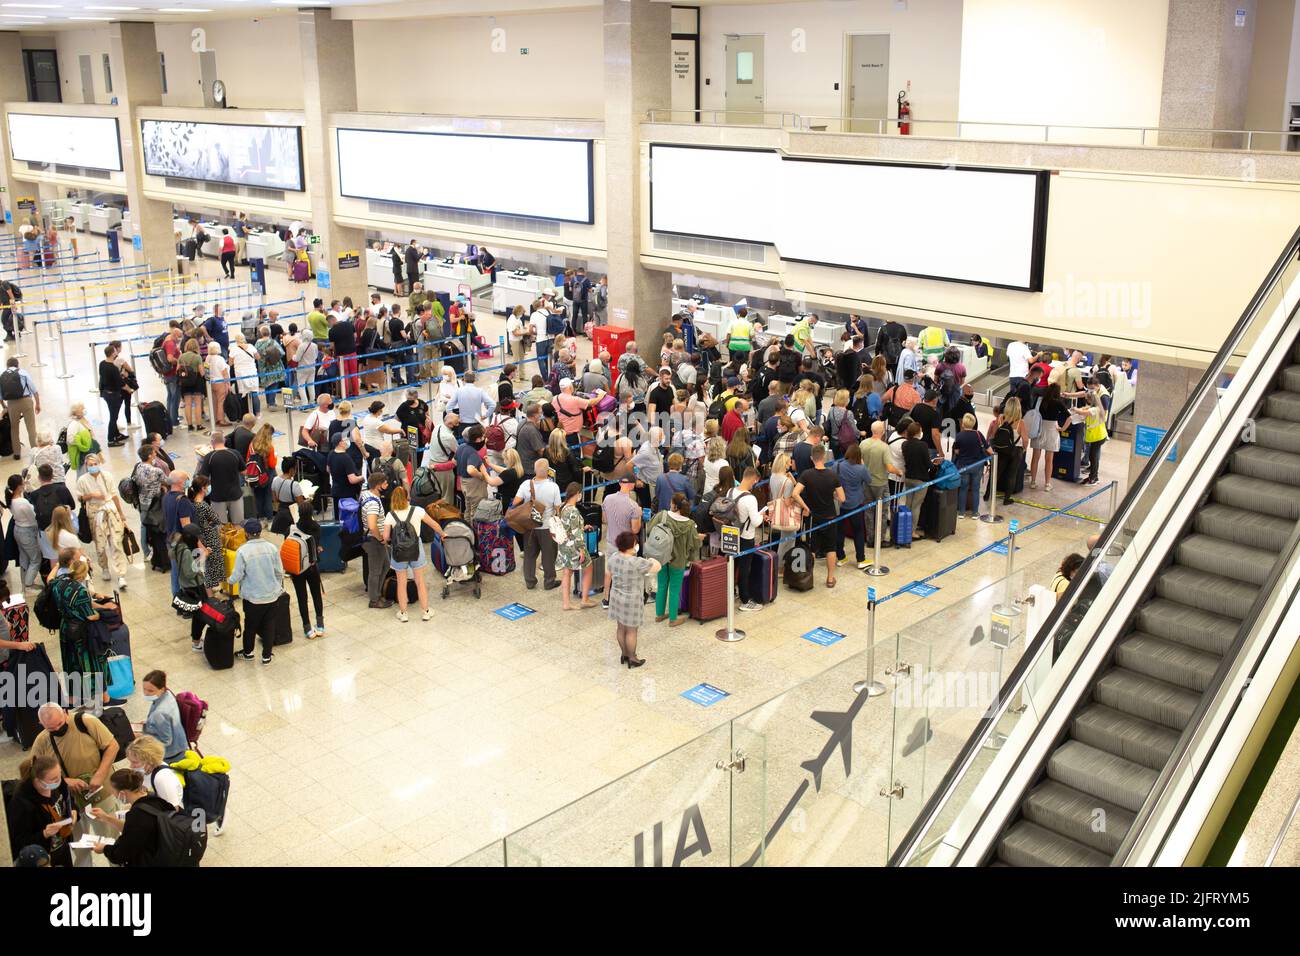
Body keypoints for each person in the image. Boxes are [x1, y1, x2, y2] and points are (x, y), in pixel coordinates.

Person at [31, 703, 120, 859]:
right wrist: (65, 781)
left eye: (60, 723)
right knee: (79, 845)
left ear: (65, 712)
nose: (58, 729)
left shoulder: (86, 722)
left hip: (100, 793)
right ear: (42, 725)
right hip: (69, 803)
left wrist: (100, 774)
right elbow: (33, 772)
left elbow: (112, 746)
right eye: (51, 728)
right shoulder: (41, 741)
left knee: (110, 839)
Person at [88, 769, 182, 867]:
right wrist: (106, 818)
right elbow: (133, 831)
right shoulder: (156, 800)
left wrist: (104, 849)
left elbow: (121, 854)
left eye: (114, 793)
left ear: (122, 794)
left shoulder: (138, 815)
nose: (114, 796)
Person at [382, 485, 443, 623]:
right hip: (417, 549)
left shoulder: (390, 515)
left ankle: (403, 613)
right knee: (420, 582)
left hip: (398, 551)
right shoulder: (418, 511)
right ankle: (426, 611)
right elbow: (434, 524)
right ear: (407, 497)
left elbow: (385, 537)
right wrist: (443, 534)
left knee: (401, 583)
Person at [228, 519, 285, 664]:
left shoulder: (243, 551)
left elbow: (237, 575)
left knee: (251, 626)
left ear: (246, 534)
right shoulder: (272, 548)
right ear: (260, 532)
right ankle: (266, 655)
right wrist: (276, 587)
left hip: (253, 598)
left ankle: (248, 653)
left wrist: (228, 580)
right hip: (272, 596)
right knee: (269, 625)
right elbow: (279, 571)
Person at [7, 754, 76, 867]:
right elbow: (19, 841)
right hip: (43, 858)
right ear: (38, 781)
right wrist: (44, 833)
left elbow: (68, 798)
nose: (59, 780)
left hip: (62, 849)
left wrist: (73, 810)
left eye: (60, 775)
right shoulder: (21, 804)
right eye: (54, 779)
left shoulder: (57, 782)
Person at [792, 444, 845, 588]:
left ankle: (809, 577)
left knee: (813, 549)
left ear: (811, 458)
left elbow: (795, 493)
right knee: (831, 548)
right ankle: (830, 578)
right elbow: (842, 498)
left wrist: (805, 506)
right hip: (830, 518)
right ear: (824, 457)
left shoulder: (806, 475)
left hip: (813, 519)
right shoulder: (832, 475)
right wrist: (831, 494)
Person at [74, 454, 129, 589]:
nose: (93, 467)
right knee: (100, 545)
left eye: (95, 464)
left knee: (116, 542)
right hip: (94, 512)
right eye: (90, 465)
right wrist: (92, 495)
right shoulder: (82, 480)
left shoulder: (107, 476)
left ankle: (121, 574)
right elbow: (80, 498)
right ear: (86, 466)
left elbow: (114, 495)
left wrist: (121, 513)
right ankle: (104, 567)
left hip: (109, 510)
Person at [607, 530, 658, 668]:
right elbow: (656, 567)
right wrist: (652, 560)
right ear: (632, 545)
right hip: (632, 600)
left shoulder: (613, 558)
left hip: (616, 597)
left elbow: (609, 574)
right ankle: (632, 658)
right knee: (631, 631)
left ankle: (624, 654)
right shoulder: (637, 562)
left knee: (620, 628)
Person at [513, 459, 563, 591]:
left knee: (529, 555)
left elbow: (515, 502)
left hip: (529, 526)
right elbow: (557, 508)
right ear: (548, 471)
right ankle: (549, 581)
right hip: (546, 527)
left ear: (535, 470)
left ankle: (530, 581)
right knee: (549, 555)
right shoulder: (554, 487)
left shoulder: (526, 484)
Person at [286, 499, 326, 639]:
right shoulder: (316, 527)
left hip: (297, 569)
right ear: (311, 513)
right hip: (312, 566)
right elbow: (316, 546)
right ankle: (320, 625)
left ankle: (307, 628)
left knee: (302, 598)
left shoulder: (291, 529)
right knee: (316, 595)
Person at [555, 481, 597, 611]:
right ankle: (584, 599)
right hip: (574, 546)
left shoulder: (563, 506)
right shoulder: (573, 510)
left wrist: (582, 527)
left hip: (564, 545)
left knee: (567, 573)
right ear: (578, 494)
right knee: (588, 568)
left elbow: (568, 526)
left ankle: (566, 603)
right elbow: (576, 533)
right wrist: (582, 550)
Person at [834, 443, 873, 569]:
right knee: (858, 531)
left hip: (840, 504)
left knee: (839, 531)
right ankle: (860, 559)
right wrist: (863, 465)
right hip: (855, 504)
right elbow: (869, 480)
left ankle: (841, 557)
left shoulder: (837, 465)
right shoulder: (861, 469)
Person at [357, 472, 392, 610]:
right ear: (378, 486)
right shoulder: (373, 503)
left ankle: (377, 593)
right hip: (374, 541)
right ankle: (374, 599)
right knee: (376, 570)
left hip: (372, 540)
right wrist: (380, 538)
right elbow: (372, 525)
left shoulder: (366, 494)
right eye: (385, 483)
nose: (387, 485)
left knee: (385, 564)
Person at [196, 431, 246, 525]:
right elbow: (244, 471)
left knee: (220, 526)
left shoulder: (209, 457)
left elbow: (203, 477)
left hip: (217, 496)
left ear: (212, 442)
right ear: (224, 440)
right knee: (238, 524)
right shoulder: (235, 453)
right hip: (235, 494)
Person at [187, 476, 226, 596]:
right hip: (210, 537)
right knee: (210, 567)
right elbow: (216, 520)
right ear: (203, 488)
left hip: (201, 537)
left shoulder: (192, 503)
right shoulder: (203, 505)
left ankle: (207, 591)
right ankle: (209, 595)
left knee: (203, 566)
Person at [138, 672, 189, 763]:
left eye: (150, 691)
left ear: (161, 689)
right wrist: (148, 723)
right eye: (144, 689)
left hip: (171, 755)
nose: (146, 693)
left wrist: (143, 737)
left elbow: (166, 741)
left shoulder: (159, 713)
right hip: (180, 744)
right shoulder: (168, 694)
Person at [123, 735, 184, 810]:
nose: (131, 766)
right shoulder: (146, 771)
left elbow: (173, 810)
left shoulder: (163, 778)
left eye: (135, 762)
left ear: (150, 760)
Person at [0, 356, 39, 460]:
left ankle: (17, 453)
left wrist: (4, 407)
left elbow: (0, 396)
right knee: (31, 427)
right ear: (17, 365)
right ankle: (35, 451)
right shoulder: (23, 373)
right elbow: (34, 390)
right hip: (26, 401)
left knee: (14, 428)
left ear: (7, 366)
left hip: (11, 404)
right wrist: (38, 404)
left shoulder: (2, 376)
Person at [951, 414, 990, 519]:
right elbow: (989, 450)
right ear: (973, 423)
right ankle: (974, 513)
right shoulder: (978, 434)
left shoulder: (959, 435)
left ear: (963, 423)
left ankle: (961, 513)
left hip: (963, 466)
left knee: (963, 488)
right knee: (975, 489)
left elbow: (956, 451)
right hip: (977, 466)